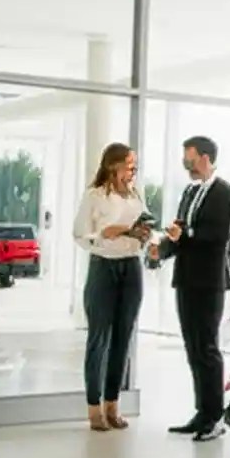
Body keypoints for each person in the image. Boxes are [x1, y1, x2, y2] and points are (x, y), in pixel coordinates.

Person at [149, 136, 230, 442]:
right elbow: (179, 235)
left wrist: (184, 233)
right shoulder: (189, 191)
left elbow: (218, 236)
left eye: (189, 158)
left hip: (209, 282)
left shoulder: (227, 193)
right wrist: (161, 250)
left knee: (207, 348)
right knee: (193, 347)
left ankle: (215, 417)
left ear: (205, 157)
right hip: (185, 279)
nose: (186, 164)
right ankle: (202, 412)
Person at [72, 142, 151, 432]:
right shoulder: (94, 196)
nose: (133, 171)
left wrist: (144, 235)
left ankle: (112, 406)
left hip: (132, 268)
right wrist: (106, 235)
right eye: (129, 165)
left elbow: (144, 227)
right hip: (103, 267)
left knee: (123, 338)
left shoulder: (136, 195)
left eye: (135, 166)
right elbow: (80, 234)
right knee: (99, 339)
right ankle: (94, 408)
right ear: (113, 165)